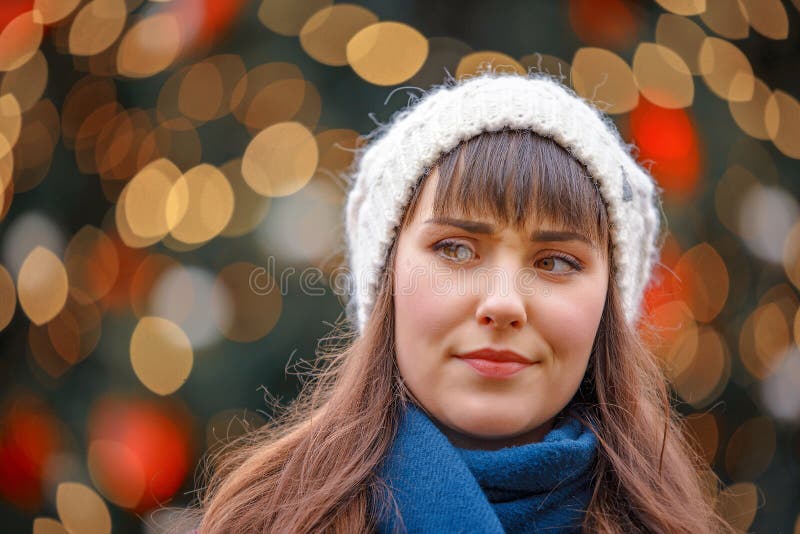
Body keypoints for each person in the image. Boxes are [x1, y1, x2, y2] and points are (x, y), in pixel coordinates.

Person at [174, 71, 737, 533]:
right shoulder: (267, 521)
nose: (503, 304)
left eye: (556, 261)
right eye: (456, 249)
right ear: (388, 278)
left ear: (609, 309)